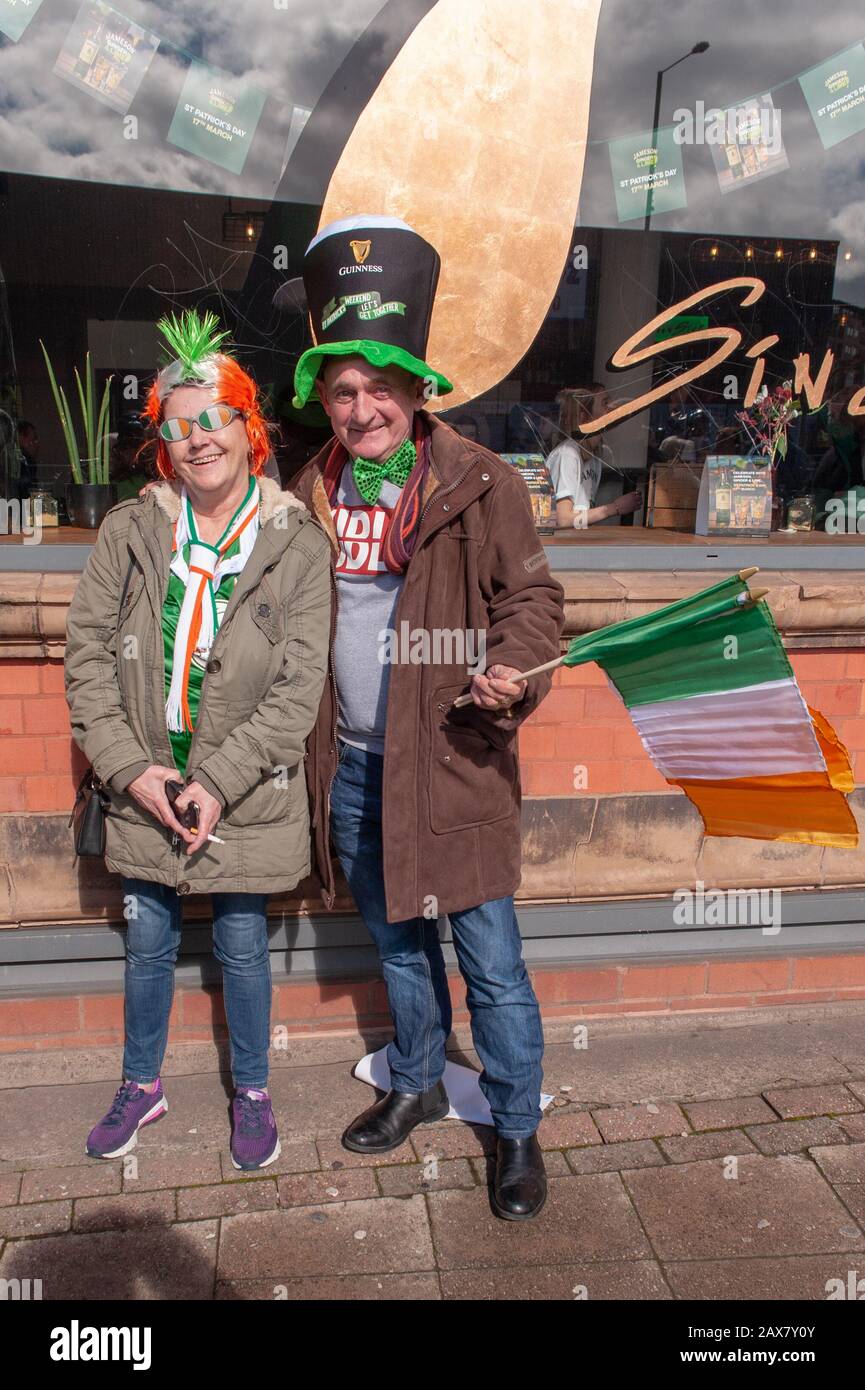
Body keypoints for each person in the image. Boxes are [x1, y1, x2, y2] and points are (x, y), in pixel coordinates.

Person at [284, 214, 565, 1220]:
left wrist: (514, 667)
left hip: (451, 758)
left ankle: (517, 1124)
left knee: (489, 956)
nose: (362, 409)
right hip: (353, 763)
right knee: (398, 944)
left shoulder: (478, 482)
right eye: (342, 391)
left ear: (414, 389)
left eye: (379, 389)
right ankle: (413, 1081)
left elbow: (531, 602)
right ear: (325, 398)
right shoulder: (309, 487)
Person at [64, 310, 331, 1170]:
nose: (196, 438)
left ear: (247, 428)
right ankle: (143, 1084)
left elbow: (298, 691)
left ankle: (251, 1090)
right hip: (145, 783)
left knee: (243, 943)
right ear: (163, 445)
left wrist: (215, 781)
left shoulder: (296, 545)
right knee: (145, 934)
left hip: (243, 792)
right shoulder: (129, 531)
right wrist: (132, 771)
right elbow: (87, 661)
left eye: (211, 418)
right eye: (177, 426)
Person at [547, 384, 642, 528]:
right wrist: (614, 508)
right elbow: (563, 519)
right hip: (564, 546)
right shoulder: (568, 454)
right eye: (605, 403)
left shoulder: (593, 455)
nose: (610, 409)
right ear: (585, 417)